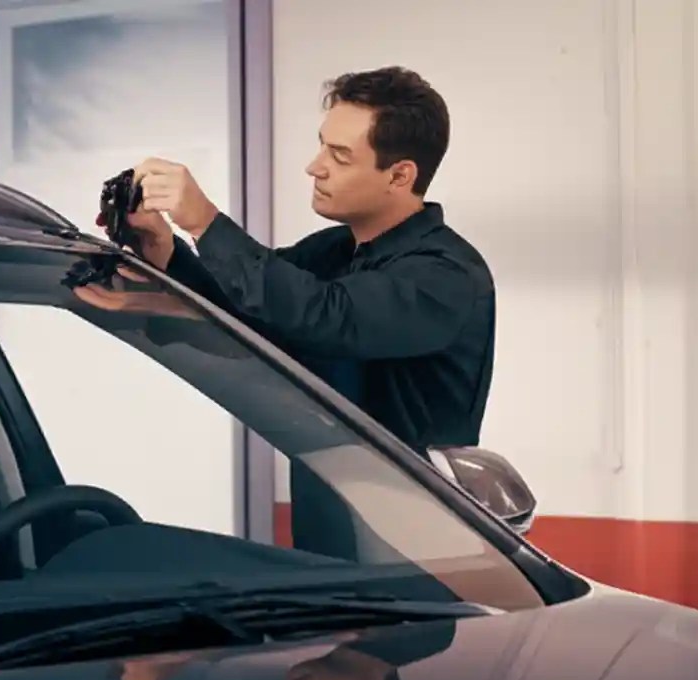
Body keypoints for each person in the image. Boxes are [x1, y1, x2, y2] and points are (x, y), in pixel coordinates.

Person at [74, 66, 495, 458]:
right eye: (321, 147)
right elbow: (250, 310)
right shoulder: (334, 250)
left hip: (416, 528)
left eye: (340, 156)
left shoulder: (446, 276)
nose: (315, 168)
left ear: (399, 176)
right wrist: (163, 248)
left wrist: (204, 221)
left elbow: (326, 318)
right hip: (328, 508)